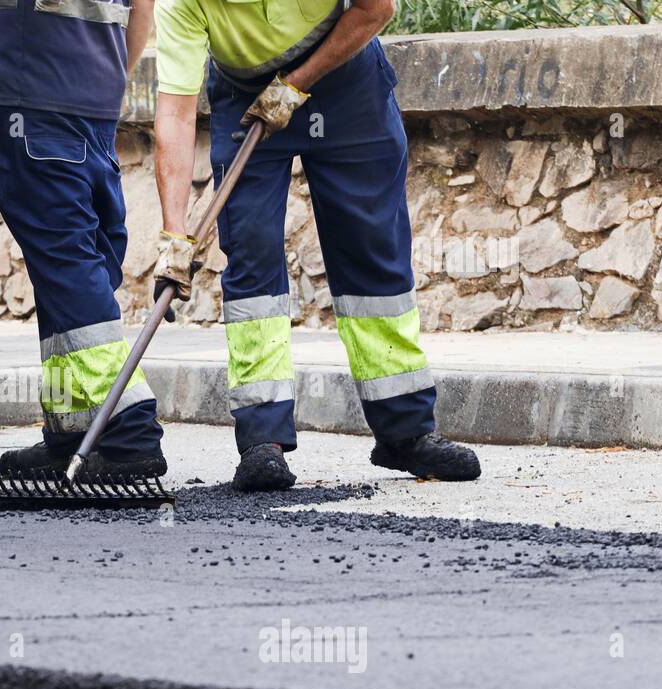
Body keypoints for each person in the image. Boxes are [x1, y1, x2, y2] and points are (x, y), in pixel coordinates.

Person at [151, 0, 482, 490]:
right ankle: (263, 441)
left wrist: (297, 82)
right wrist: (175, 235)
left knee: (372, 254)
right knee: (252, 257)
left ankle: (405, 433)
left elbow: (376, 8)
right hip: (245, 95)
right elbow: (175, 116)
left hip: (345, 77)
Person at [0, 0, 167, 481]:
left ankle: (130, 431)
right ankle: (73, 428)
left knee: (68, 267)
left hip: (37, 103)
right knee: (67, 275)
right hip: (94, 105)